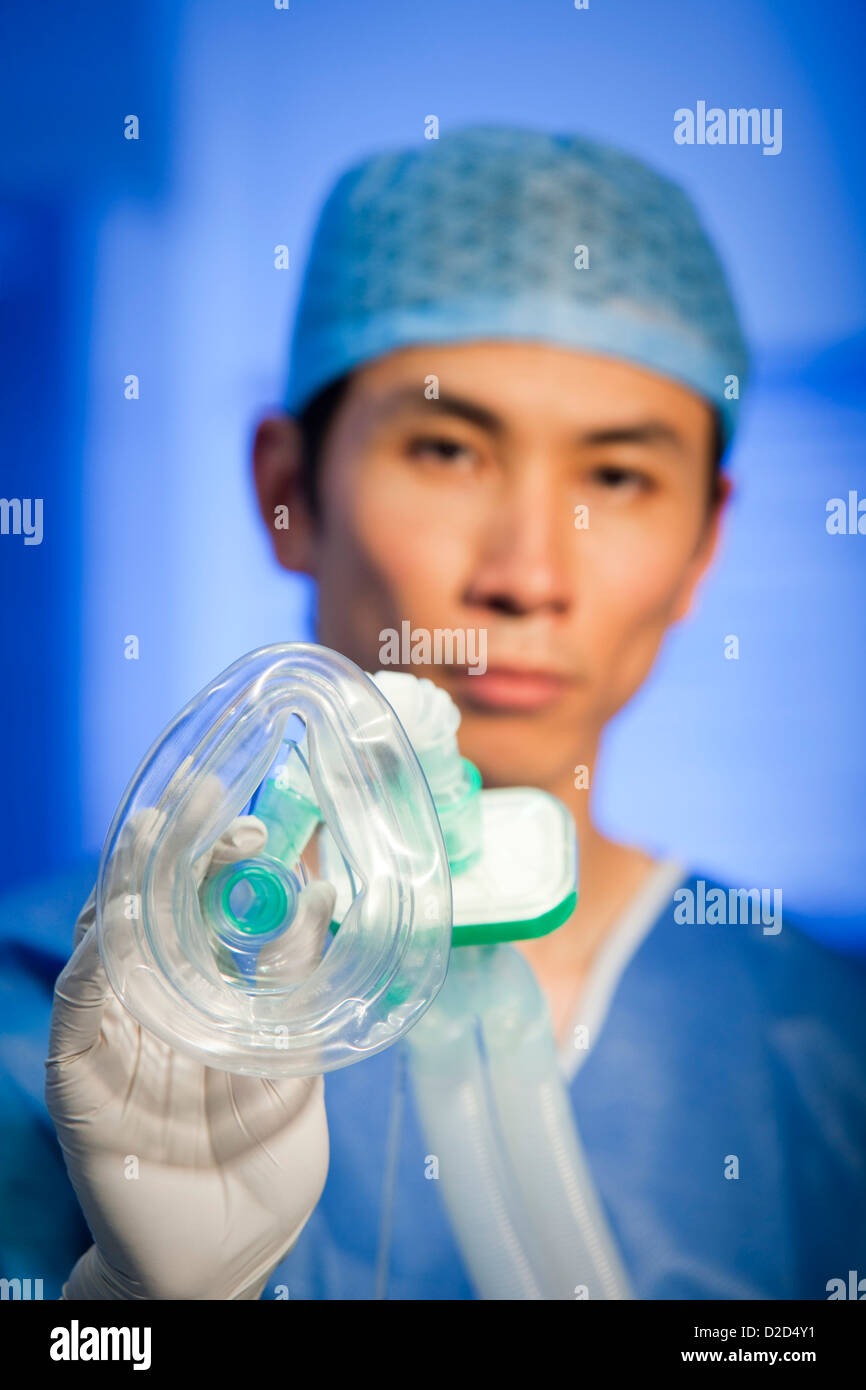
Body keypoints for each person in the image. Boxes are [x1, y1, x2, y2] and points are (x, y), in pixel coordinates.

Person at [2, 124, 864, 1301]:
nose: (526, 572)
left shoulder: (822, 1040)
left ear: (702, 544)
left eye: (615, 476)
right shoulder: (47, 1006)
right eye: (446, 448)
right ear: (287, 490)